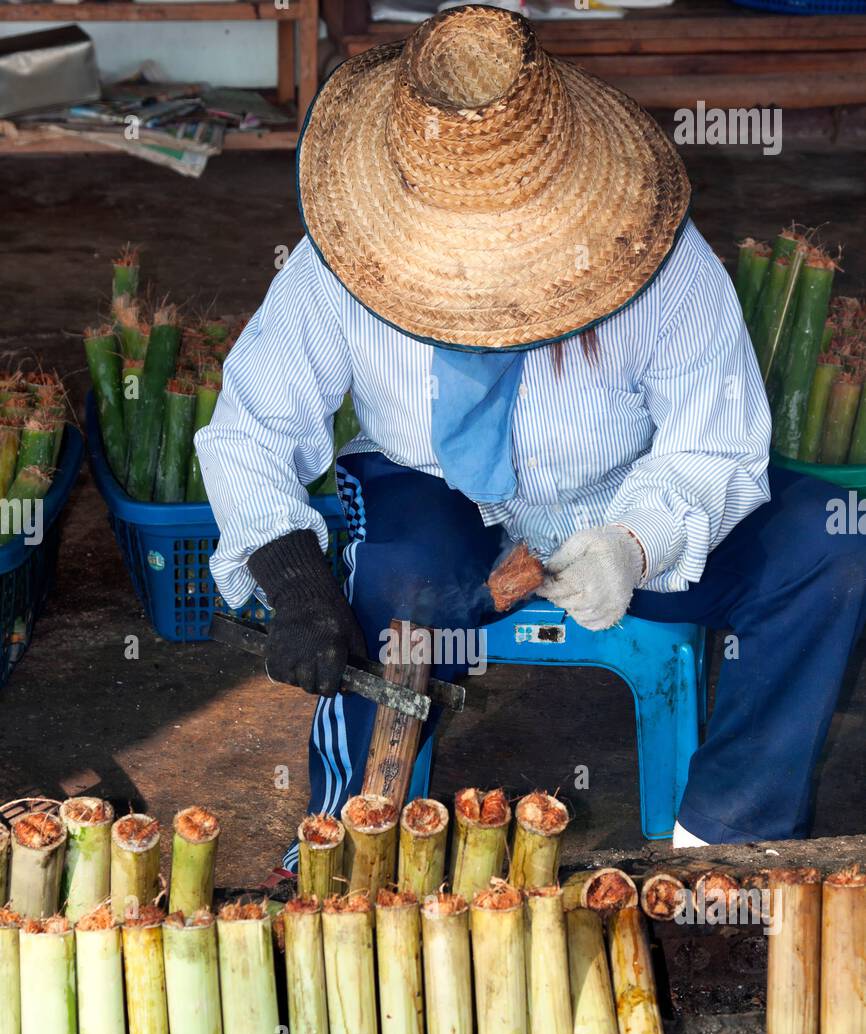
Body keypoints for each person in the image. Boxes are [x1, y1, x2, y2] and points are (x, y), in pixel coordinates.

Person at [196, 5, 866, 861]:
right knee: (402, 579)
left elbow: (715, 445)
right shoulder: (342, 254)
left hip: (619, 489)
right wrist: (292, 581)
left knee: (828, 549)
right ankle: (349, 851)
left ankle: (726, 849)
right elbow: (252, 424)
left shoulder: (660, 252)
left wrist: (635, 542)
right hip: (430, 482)